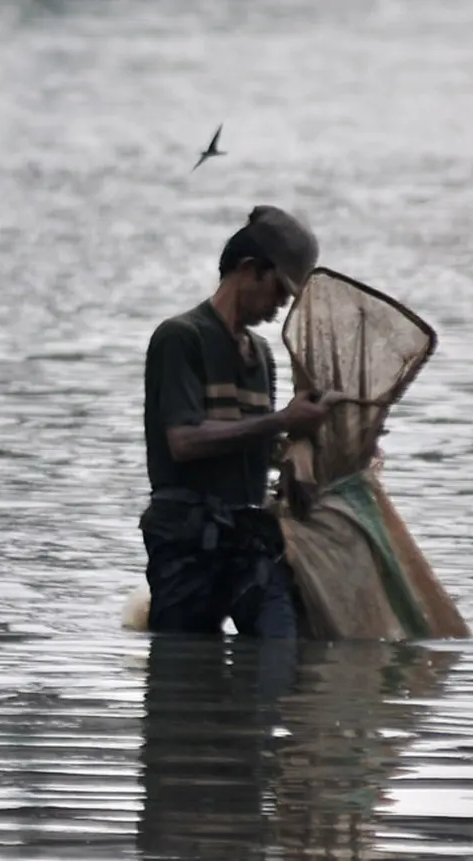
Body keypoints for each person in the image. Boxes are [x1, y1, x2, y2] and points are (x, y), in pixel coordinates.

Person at [140, 204, 342, 637]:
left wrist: (301, 450)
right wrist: (281, 419)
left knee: (282, 654)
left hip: (249, 539)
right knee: (182, 674)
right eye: (278, 292)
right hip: (186, 540)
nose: (279, 308)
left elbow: (252, 446)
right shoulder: (181, 337)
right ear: (250, 270)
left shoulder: (262, 356)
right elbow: (185, 441)